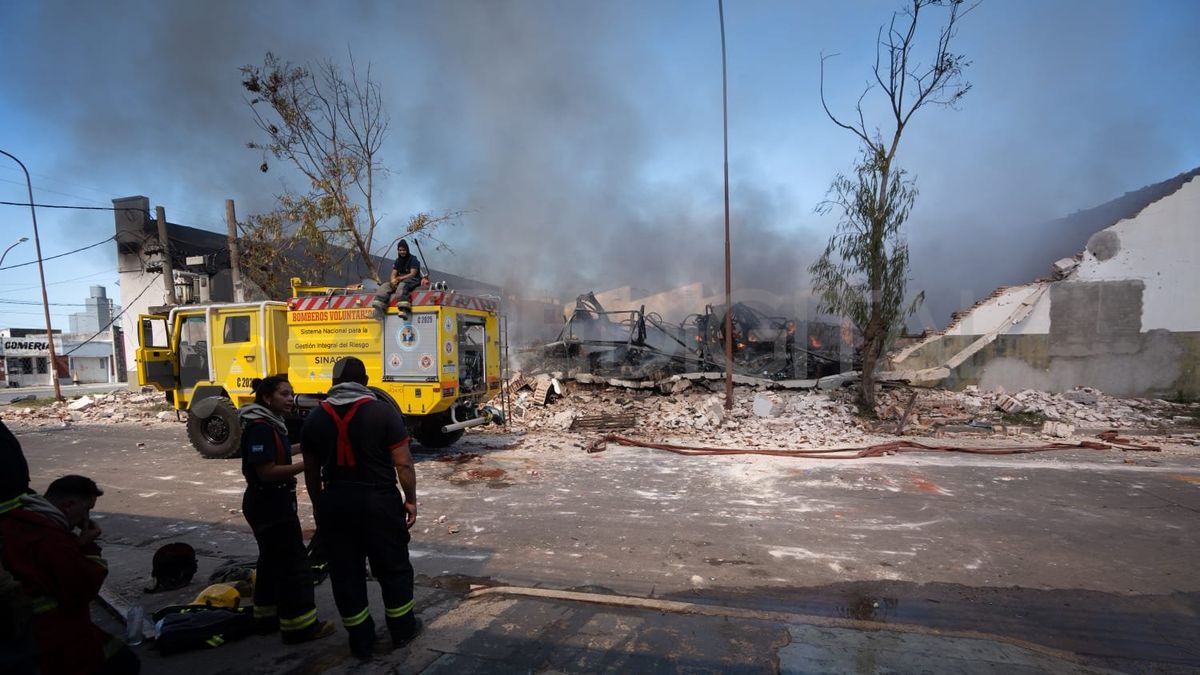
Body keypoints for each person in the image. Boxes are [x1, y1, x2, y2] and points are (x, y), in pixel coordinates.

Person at [301, 357, 421, 658]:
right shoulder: (383, 412)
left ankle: (361, 639)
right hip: (378, 501)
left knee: (345, 573)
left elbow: (311, 471)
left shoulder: (315, 418)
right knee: (393, 567)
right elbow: (403, 462)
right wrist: (410, 499)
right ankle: (402, 628)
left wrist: (319, 506)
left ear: (334, 383)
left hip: (336, 503)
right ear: (365, 381)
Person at [0, 474, 140, 675]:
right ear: (68, 506)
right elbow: (82, 586)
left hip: (26, 630)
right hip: (53, 634)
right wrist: (88, 548)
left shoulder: (21, 520)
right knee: (122, 663)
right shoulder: (52, 540)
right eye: (86, 510)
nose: (86, 518)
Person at [239, 376, 335, 644]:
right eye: (283, 394)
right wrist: (308, 464)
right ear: (267, 398)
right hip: (270, 503)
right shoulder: (260, 427)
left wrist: (307, 448)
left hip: (271, 502)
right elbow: (267, 471)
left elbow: (281, 453)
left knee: (271, 561)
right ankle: (300, 627)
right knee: (294, 565)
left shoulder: (271, 425)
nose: (289, 398)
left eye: (291, 393)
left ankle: (266, 617)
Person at [389, 239, 422, 308]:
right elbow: (393, 273)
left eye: (404, 250)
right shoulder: (397, 261)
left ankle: (404, 309)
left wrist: (399, 278)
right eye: (400, 250)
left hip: (413, 280)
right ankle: (379, 307)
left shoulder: (413, 259)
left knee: (402, 286)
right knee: (385, 286)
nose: (402, 252)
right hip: (401, 280)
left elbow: (413, 274)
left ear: (407, 250)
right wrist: (393, 281)